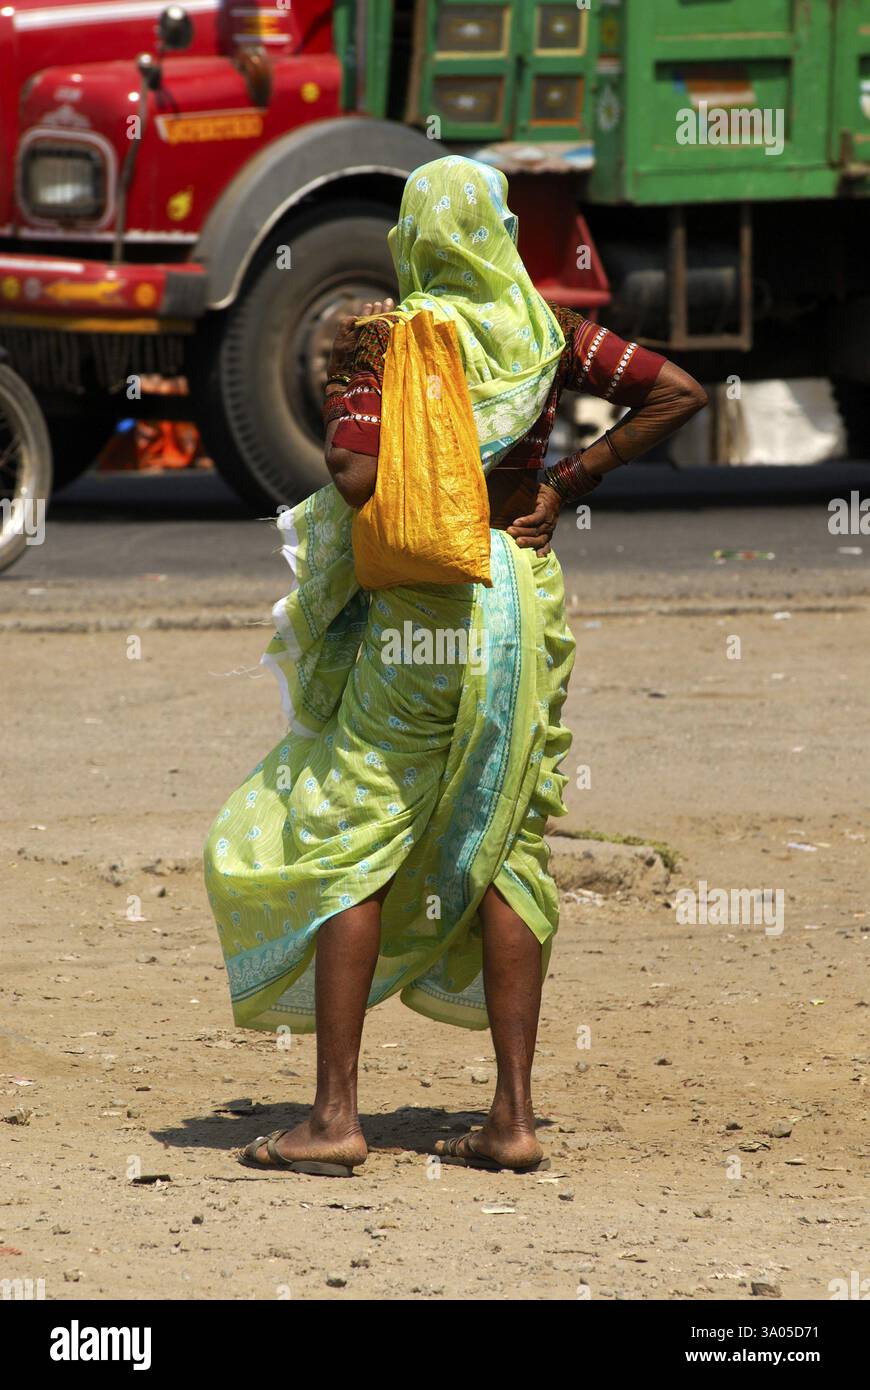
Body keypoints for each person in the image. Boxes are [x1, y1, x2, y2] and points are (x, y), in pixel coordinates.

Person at [203, 155, 706, 1177]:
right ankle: (514, 1118)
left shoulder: (394, 340)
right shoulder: (546, 332)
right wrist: (565, 482)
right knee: (511, 834)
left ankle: (336, 1116)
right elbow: (678, 392)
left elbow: (350, 475)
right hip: (520, 603)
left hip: (421, 615)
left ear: (412, 239)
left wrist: (372, 409)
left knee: (358, 829)